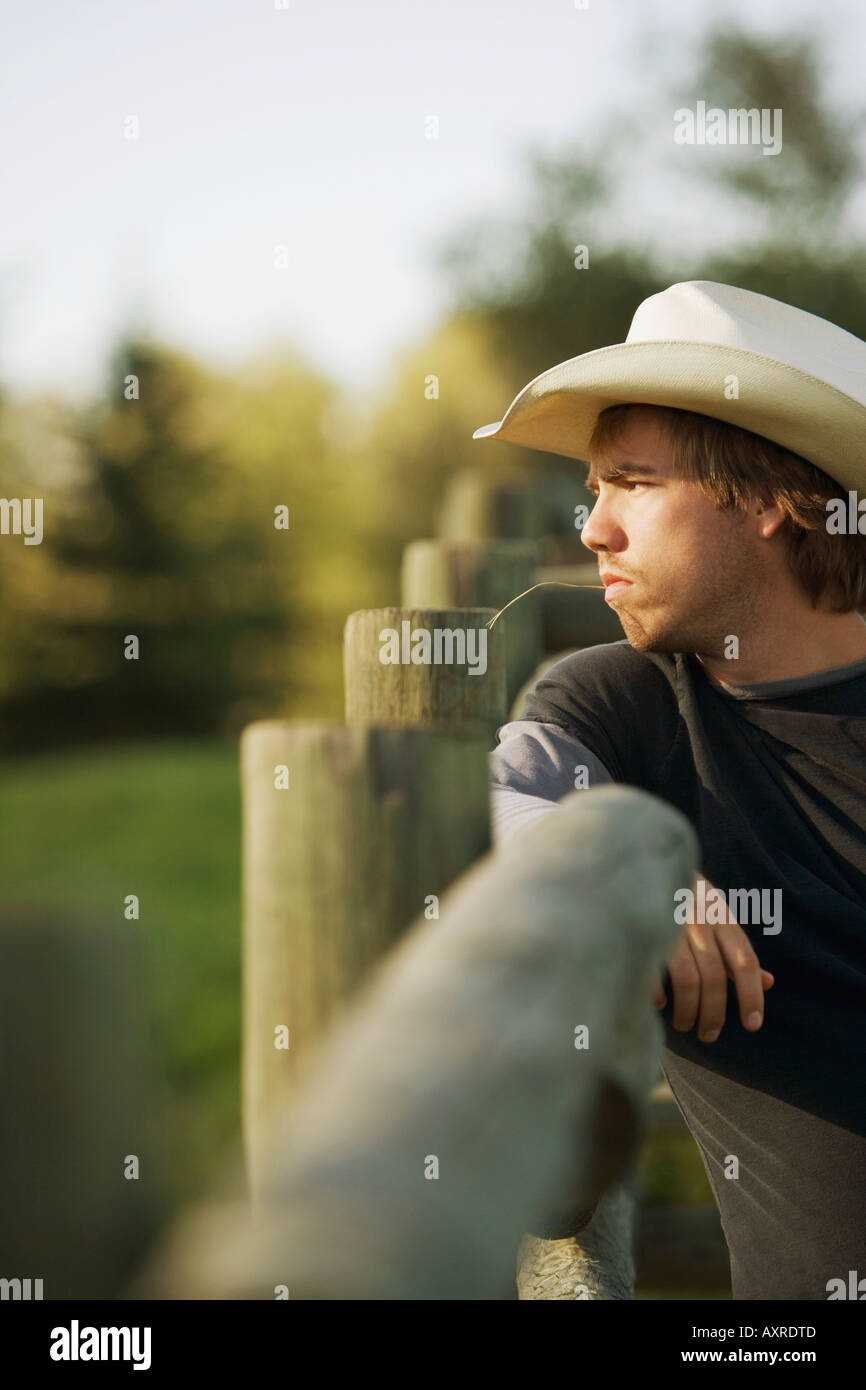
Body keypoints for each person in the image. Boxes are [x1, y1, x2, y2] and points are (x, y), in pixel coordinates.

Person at [474, 281, 866, 1300]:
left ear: (768, 497)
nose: (594, 528)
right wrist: (619, 868)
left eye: (633, 484)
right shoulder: (619, 708)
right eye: (593, 489)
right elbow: (509, 813)